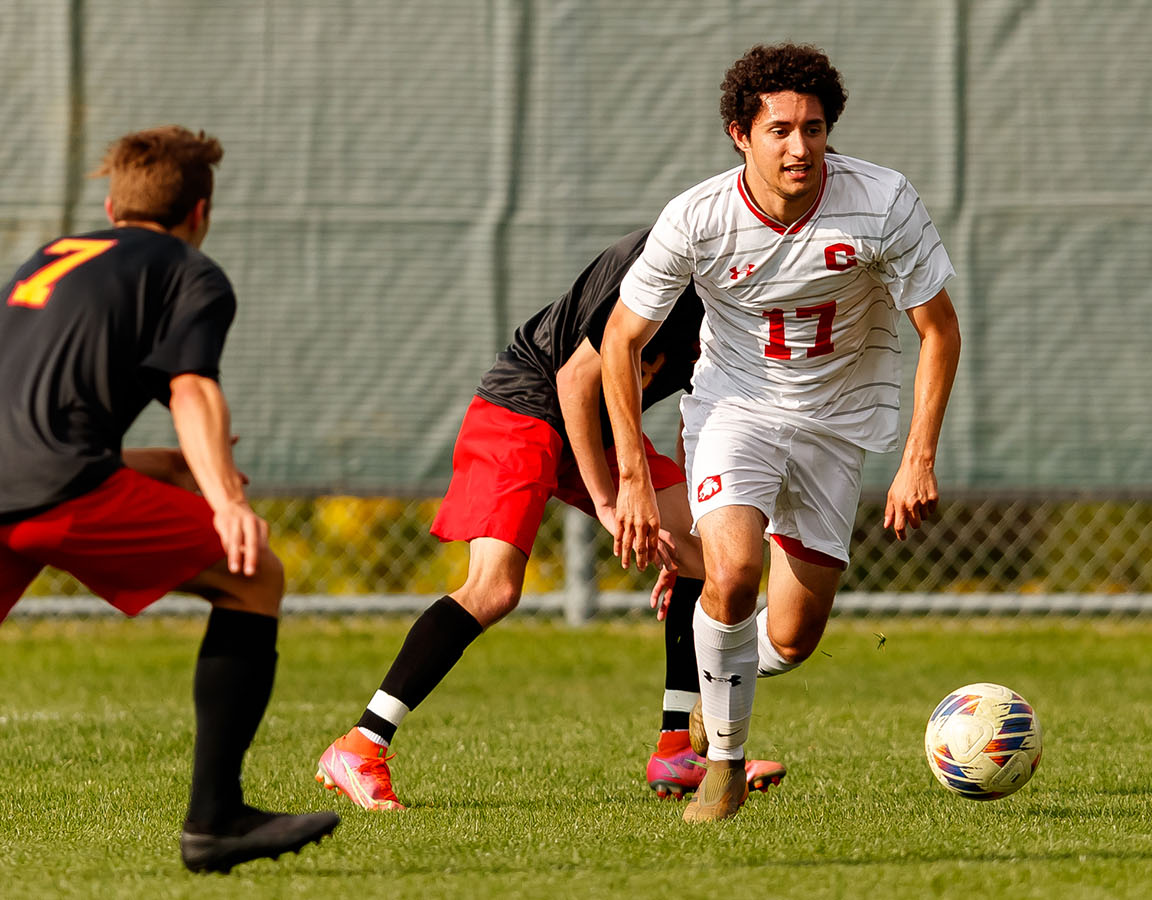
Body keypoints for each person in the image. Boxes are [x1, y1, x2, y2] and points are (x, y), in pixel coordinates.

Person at [602, 42, 962, 823]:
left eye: (814, 129)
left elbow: (939, 330)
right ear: (740, 135)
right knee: (732, 575)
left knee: (794, 638)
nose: (801, 147)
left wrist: (918, 459)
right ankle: (723, 767)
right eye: (780, 130)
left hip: (838, 424)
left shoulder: (882, 202)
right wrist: (632, 480)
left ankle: (718, 682)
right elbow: (620, 342)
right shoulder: (698, 218)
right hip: (735, 409)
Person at [314, 228, 785, 810]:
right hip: (526, 405)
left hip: (600, 425)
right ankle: (360, 745)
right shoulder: (673, 255)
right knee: (493, 589)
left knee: (704, 553)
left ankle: (676, 750)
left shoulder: (750, 290)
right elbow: (574, 379)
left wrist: (687, 527)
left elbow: (701, 411)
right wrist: (611, 504)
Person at [0, 126, 340, 872]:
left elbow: (24, 422)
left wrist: (158, 465)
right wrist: (226, 501)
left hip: (19, 486)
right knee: (252, 574)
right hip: (57, 492)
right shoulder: (189, 271)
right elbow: (191, 389)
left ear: (111, 206)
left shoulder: (46, 262)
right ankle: (216, 820)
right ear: (201, 211)